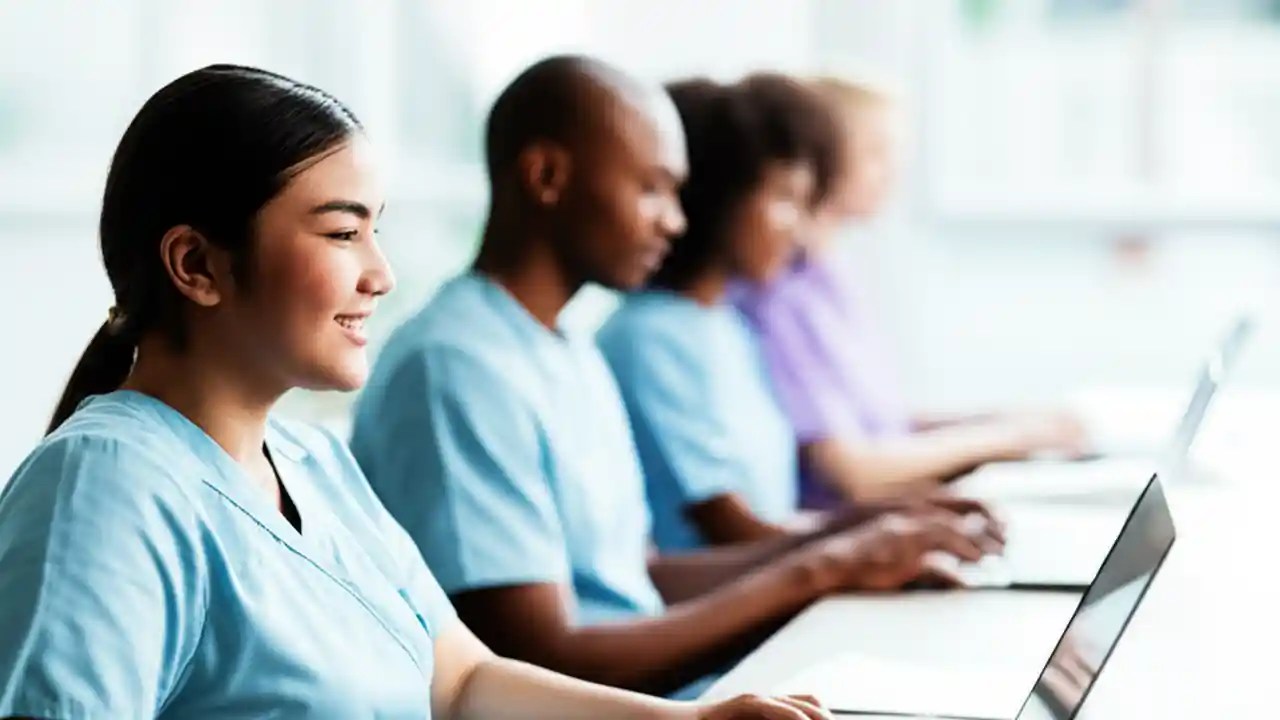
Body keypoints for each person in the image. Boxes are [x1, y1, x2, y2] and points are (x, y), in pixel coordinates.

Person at [0, 63, 832, 720]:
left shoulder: (311, 461)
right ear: (196, 266)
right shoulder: (106, 489)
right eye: (341, 232)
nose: (381, 274)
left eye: (377, 228)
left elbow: (462, 680)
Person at [351, 56, 991, 700]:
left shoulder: (563, 347)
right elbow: (537, 661)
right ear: (546, 176)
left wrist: (855, 545)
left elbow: (635, 579)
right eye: (651, 189)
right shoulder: (458, 366)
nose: (676, 221)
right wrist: (820, 569)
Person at [596, 75, 999, 552]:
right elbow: (734, 529)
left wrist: (902, 517)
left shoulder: (728, 325)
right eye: (785, 199)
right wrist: (877, 536)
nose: (800, 226)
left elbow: (777, 514)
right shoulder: (651, 336)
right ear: (722, 196)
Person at [730, 74, 1086, 508]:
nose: (893, 172)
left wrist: (1007, 424)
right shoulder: (780, 294)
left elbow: (886, 427)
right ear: (820, 158)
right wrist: (1006, 437)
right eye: (874, 153)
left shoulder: (830, 276)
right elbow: (856, 471)